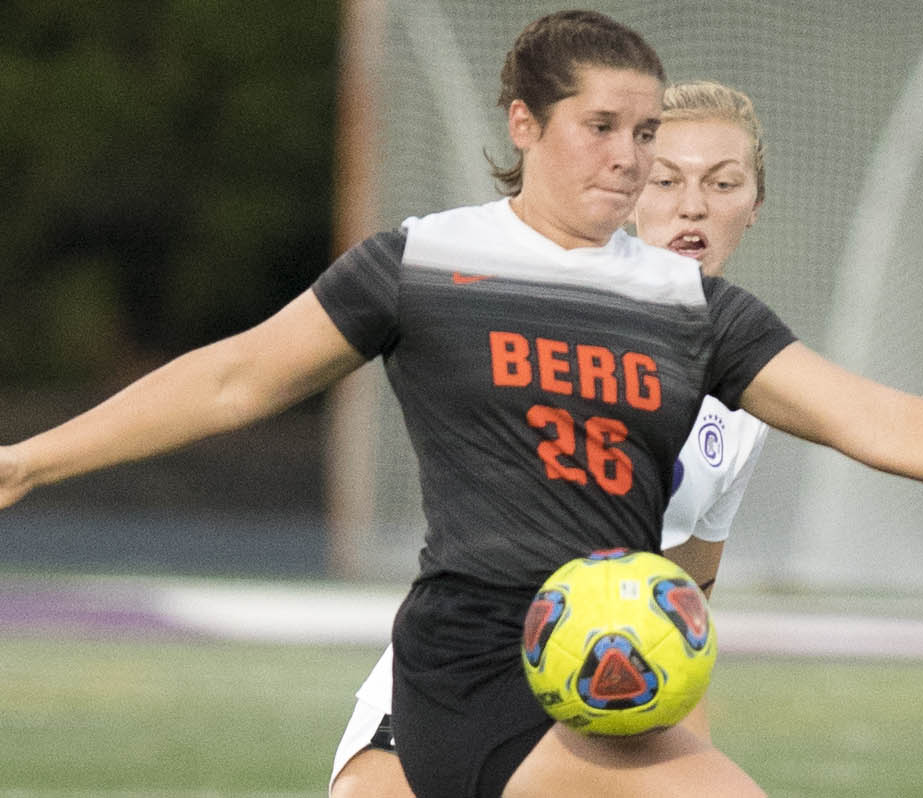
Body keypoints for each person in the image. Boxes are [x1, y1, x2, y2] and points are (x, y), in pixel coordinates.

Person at [0, 11, 923, 798]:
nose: (631, 159)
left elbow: (873, 416)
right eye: (604, 127)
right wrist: (33, 462)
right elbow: (232, 376)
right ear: (526, 122)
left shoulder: (691, 310)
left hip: (600, 660)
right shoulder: (425, 262)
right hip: (480, 645)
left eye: (646, 132)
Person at [327, 78, 769, 798]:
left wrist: (682, 745)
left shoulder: (748, 398)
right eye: (665, 180)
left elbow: (684, 601)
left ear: (755, 205)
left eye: (724, 183)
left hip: (599, 712)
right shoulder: (546, 320)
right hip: (450, 696)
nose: (693, 206)